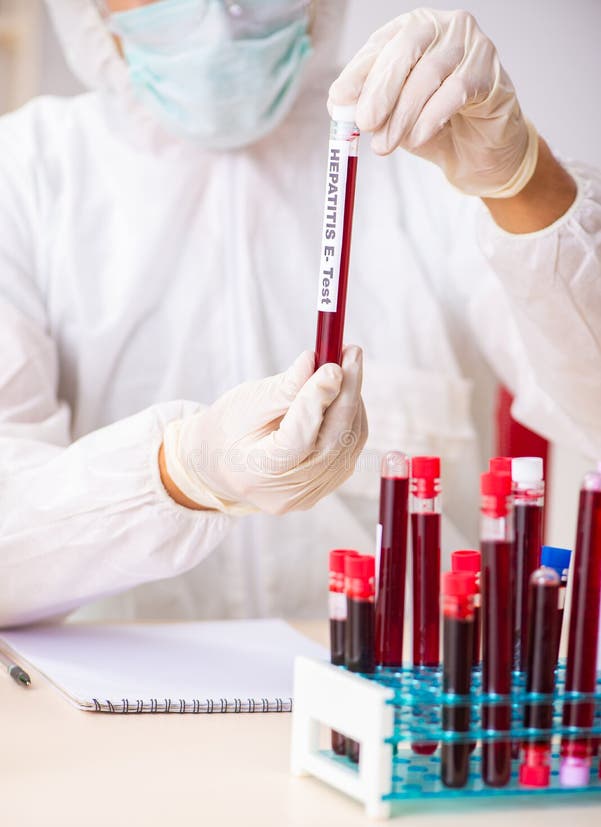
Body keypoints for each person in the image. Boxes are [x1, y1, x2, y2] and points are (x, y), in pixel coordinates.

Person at [0, 0, 599, 627]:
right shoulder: (24, 175)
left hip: (401, 702)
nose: (219, 14)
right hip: (105, 717)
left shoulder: (427, 142)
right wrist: (179, 473)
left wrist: (524, 184)